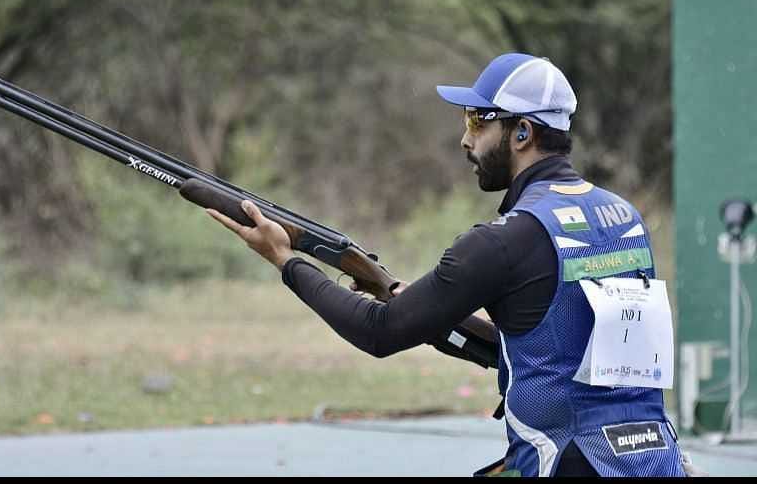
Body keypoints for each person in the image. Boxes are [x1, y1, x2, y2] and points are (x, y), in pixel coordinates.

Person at [206, 53, 686, 477]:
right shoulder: (624, 218)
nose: (465, 140)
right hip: (652, 459)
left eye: (478, 122)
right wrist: (401, 294)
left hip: (562, 461)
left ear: (522, 132)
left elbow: (380, 333)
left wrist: (285, 260)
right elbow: (550, 352)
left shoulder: (503, 242)